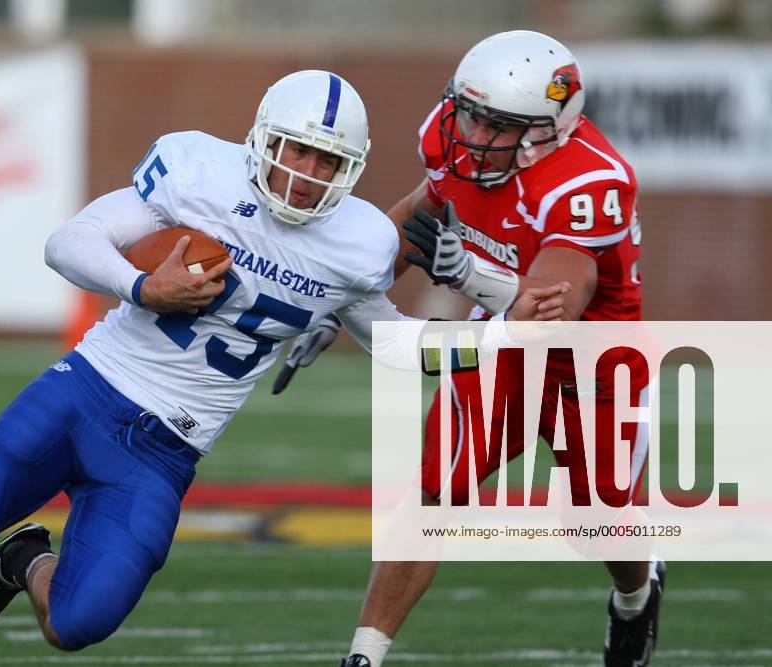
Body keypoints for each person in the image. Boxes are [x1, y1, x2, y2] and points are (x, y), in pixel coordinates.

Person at [0, 69, 444, 667]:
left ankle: (24, 560)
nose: (306, 173)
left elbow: (393, 342)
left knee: (77, 624)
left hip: (163, 453)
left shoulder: (358, 244)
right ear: (263, 139)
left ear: (350, 170)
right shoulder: (201, 172)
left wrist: (501, 337)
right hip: (82, 396)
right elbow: (69, 242)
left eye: (327, 160)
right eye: (295, 149)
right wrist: (143, 287)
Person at [278, 31, 661, 667]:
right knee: (436, 489)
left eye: (498, 124)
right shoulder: (450, 134)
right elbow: (425, 208)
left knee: (595, 527)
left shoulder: (590, 181)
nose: (475, 134)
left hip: (592, 362)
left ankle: (636, 595)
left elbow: (556, 303)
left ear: (549, 129)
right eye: (472, 113)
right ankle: (364, 656)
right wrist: (342, 297)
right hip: (503, 345)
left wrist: (469, 276)